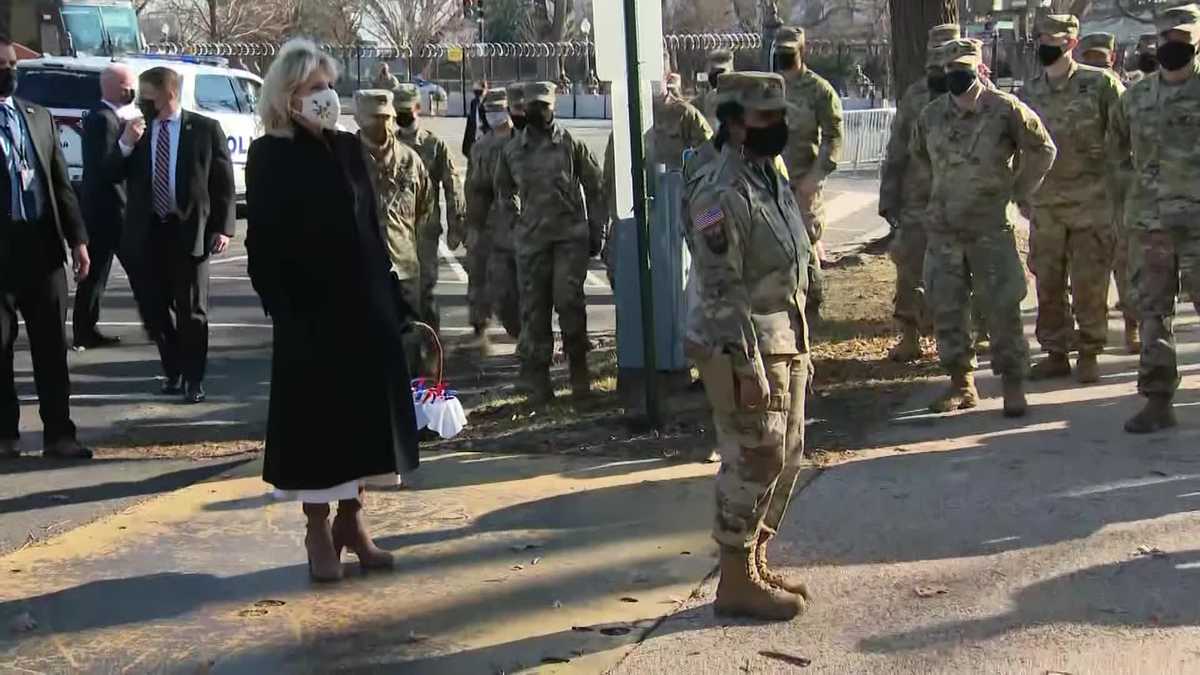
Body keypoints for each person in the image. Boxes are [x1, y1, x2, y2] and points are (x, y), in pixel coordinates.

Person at [246, 39, 419, 582]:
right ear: (287, 96)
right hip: (309, 314)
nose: (325, 97)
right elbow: (266, 242)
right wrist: (282, 303)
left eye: (327, 86)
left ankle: (352, 521)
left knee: (364, 422)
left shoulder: (346, 148)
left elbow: (369, 228)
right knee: (318, 428)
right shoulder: (270, 154)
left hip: (363, 306)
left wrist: (392, 299)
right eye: (312, 89)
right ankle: (317, 526)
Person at [688, 71, 814, 621]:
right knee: (751, 457)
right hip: (745, 345)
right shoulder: (719, 190)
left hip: (785, 336)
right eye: (767, 119)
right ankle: (735, 581)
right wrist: (744, 364)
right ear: (735, 122)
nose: (778, 127)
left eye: (781, 117)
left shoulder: (767, 172)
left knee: (784, 455)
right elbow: (721, 287)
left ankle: (755, 562)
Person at [911, 38, 1056, 417]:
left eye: (961, 67)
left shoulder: (1005, 110)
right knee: (946, 306)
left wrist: (1018, 189)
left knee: (1001, 307)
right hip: (944, 230)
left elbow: (1043, 149)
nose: (954, 75)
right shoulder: (931, 115)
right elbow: (920, 157)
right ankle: (961, 383)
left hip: (990, 228)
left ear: (978, 67)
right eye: (948, 69)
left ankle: (1012, 383)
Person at [110, 66, 235, 404]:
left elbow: (222, 182)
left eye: (147, 94)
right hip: (149, 231)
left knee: (192, 310)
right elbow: (111, 173)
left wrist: (223, 227)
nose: (141, 101)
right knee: (153, 306)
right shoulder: (137, 131)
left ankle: (193, 379)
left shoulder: (204, 129)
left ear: (167, 93)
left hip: (189, 230)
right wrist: (125, 144)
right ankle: (174, 368)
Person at [1018, 15, 1125, 385]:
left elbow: (1128, 138)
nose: (1047, 44)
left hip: (1092, 203)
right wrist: (1021, 190)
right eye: (1042, 37)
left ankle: (1090, 352)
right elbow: (1018, 146)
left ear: (1072, 43)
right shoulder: (1029, 92)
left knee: (1089, 282)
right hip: (1045, 205)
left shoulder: (1101, 85)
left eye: (1055, 38)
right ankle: (1055, 352)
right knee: (1046, 280)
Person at [0, 36, 93, 460]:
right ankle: (5, 434)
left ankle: (60, 433)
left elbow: (60, 183)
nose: (10, 71)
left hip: (41, 248)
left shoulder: (38, 117)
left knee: (51, 348)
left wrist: (78, 239)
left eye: (13, 64)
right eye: (3, 65)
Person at [1109, 4, 1200, 433]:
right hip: (1151, 224)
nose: (1174, 46)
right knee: (1151, 312)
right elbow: (1116, 149)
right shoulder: (1136, 98)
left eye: (1182, 39)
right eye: (1167, 39)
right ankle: (1158, 399)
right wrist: (1133, 190)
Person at [494, 82, 603, 403]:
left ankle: (579, 375)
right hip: (532, 243)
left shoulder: (571, 144)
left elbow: (595, 187)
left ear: (554, 106)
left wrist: (597, 230)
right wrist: (516, 226)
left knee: (569, 302)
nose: (538, 112)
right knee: (534, 309)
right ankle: (539, 382)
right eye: (533, 106)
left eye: (544, 106)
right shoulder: (513, 150)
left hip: (569, 239)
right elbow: (503, 193)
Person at [879, 23, 960, 361]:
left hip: (962, 200)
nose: (940, 62)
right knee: (909, 266)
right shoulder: (915, 95)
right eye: (935, 53)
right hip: (918, 200)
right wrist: (888, 198)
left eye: (948, 53)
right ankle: (910, 334)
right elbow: (897, 148)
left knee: (963, 270)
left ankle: (962, 338)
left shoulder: (977, 93)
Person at [354, 88, 433, 376]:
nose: (381, 125)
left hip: (404, 268)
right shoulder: (345, 160)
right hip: (360, 268)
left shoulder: (409, 160)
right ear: (359, 119)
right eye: (373, 118)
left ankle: (409, 405)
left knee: (408, 341)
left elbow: (425, 207)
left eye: (385, 118)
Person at [1077, 32, 1141, 354]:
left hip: (1121, 192)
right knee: (1089, 268)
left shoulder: (1126, 93)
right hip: (1085, 193)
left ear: (1112, 59)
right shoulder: (1075, 92)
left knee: (1126, 262)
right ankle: (1090, 332)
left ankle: (1133, 325)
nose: (1096, 66)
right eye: (1089, 60)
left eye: (1101, 60)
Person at [394, 83, 464, 334]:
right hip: (395, 232)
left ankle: (430, 347)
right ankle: (404, 348)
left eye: (407, 110)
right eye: (398, 110)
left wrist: (456, 224)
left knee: (424, 290)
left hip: (425, 230)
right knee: (399, 291)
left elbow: (452, 183)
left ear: (418, 109)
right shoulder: (388, 147)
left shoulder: (434, 145)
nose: (402, 115)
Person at [75, 62, 135, 351]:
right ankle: (162, 322)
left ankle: (86, 329)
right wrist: (127, 143)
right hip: (105, 211)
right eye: (127, 86)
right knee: (132, 270)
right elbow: (106, 168)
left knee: (98, 274)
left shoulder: (112, 116)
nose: (131, 91)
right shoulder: (102, 118)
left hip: (111, 209)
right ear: (112, 86)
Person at [464, 88, 520, 352]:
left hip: (523, 225)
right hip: (492, 226)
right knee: (489, 283)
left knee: (524, 287)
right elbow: (474, 190)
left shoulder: (522, 142)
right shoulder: (481, 148)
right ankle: (482, 331)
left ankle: (524, 335)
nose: (496, 114)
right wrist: (471, 227)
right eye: (491, 109)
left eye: (500, 108)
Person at [693, 49, 735, 128]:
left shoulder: (735, 95)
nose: (716, 76)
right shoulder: (705, 95)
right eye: (713, 71)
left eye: (720, 72)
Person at [462, 80, 490, 158]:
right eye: (476, 90)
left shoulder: (489, 104)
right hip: (475, 140)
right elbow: (471, 122)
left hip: (486, 140)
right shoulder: (473, 103)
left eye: (480, 89)